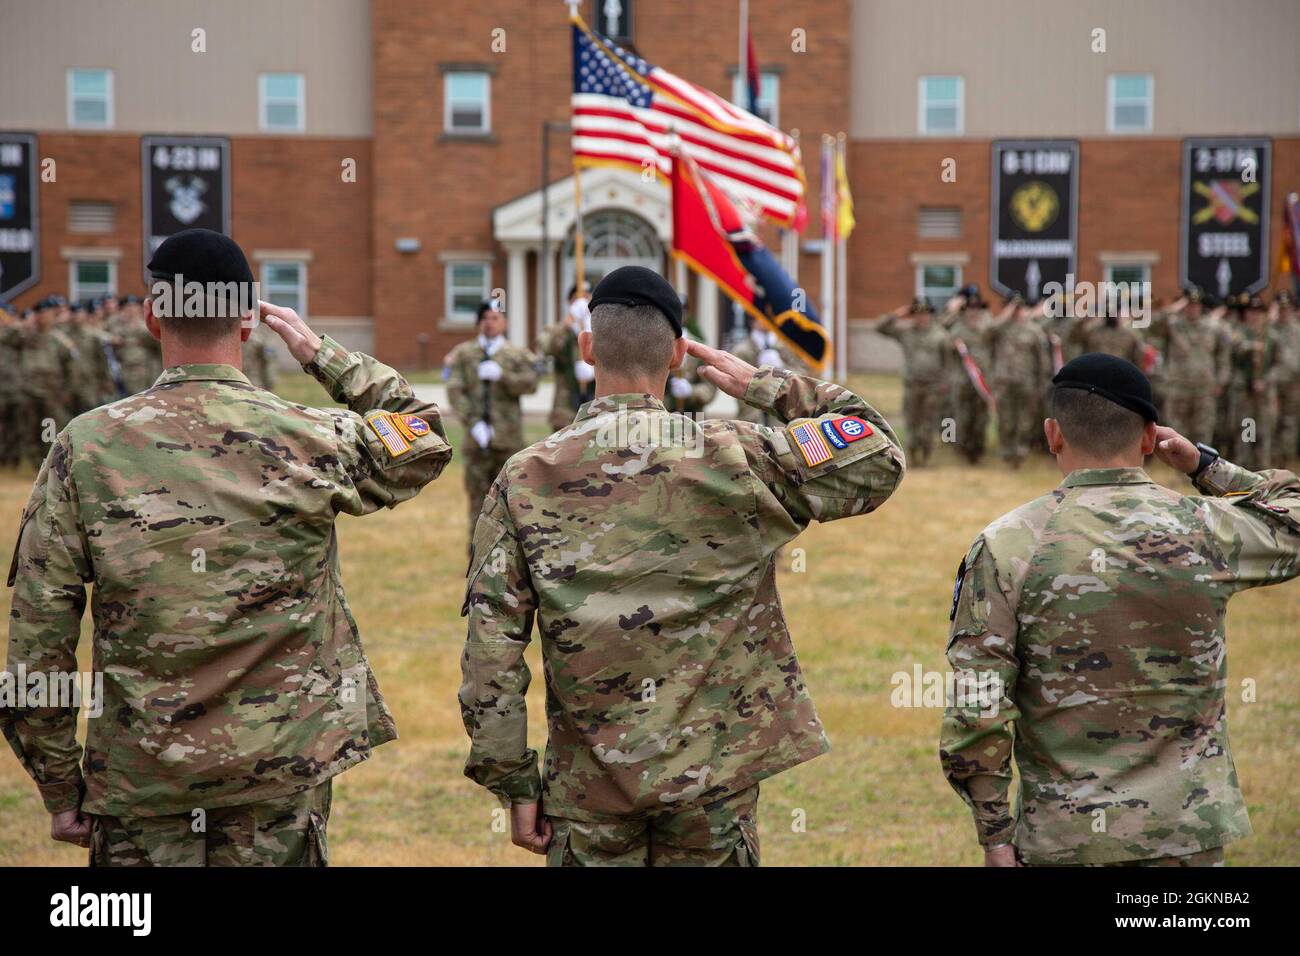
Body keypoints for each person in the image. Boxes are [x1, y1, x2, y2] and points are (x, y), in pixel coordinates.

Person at [0, 228, 453, 866]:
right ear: (248, 318)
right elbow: (423, 432)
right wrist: (318, 351)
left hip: (142, 782)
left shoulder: (87, 447)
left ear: (154, 315)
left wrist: (57, 784)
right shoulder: (309, 436)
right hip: (277, 778)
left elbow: (37, 640)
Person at [458, 265, 906, 866]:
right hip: (713, 781)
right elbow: (879, 453)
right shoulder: (735, 455)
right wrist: (767, 386)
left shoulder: (526, 475)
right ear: (676, 356)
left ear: (587, 349)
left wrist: (512, 782)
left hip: (588, 788)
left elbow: (492, 647)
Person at [942, 352, 1300, 867]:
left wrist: (995, 837)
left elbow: (977, 701)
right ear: (1152, 438)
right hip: (1186, 833)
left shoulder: (1007, 544)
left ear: (1053, 434)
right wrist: (1205, 466)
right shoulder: (1206, 528)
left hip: (1066, 837)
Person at [445, 299, 539, 543]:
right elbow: (455, 390)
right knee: (478, 502)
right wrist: (473, 423)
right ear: (479, 322)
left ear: (504, 323)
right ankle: (476, 554)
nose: (490, 323)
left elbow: (531, 383)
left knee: (510, 503)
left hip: (508, 439)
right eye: (485, 318)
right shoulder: (465, 354)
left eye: (495, 318)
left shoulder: (516, 354)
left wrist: (504, 376)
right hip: (477, 442)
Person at [874, 298, 949, 466]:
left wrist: (945, 383)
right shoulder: (906, 332)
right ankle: (913, 455)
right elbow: (879, 328)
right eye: (917, 313)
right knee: (912, 420)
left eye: (925, 313)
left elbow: (948, 363)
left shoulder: (941, 335)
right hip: (912, 385)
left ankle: (926, 455)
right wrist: (898, 313)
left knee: (928, 421)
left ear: (930, 314)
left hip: (933, 386)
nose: (921, 317)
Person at [984, 295, 1049, 468]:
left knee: (1024, 420)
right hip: (1003, 382)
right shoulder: (1001, 329)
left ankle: (1020, 452)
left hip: (1026, 382)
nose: (1016, 311)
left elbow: (1042, 361)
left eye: (1019, 308)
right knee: (1005, 419)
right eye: (1014, 308)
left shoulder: (1034, 330)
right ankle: (1006, 452)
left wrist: (1040, 384)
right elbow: (988, 331)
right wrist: (1008, 311)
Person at [942, 285, 993, 464]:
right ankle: (963, 449)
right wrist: (952, 310)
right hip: (961, 379)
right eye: (969, 308)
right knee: (962, 415)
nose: (973, 311)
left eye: (976, 307)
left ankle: (978, 449)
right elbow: (940, 330)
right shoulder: (956, 325)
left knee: (981, 417)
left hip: (982, 379)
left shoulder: (988, 323)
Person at [537, 285, 596, 432]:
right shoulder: (560, 331)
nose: (583, 305)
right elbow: (544, 345)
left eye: (587, 299)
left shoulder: (601, 332)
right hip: (565, 409)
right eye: (577, 301)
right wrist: (567, 322)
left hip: (596, 408)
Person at [729, 323, 810, 425]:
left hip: (781, 415)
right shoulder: (742, 350)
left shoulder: (789, 347)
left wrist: (782, 367)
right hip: (751, 416)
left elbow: (803, 375)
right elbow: (736, 380)